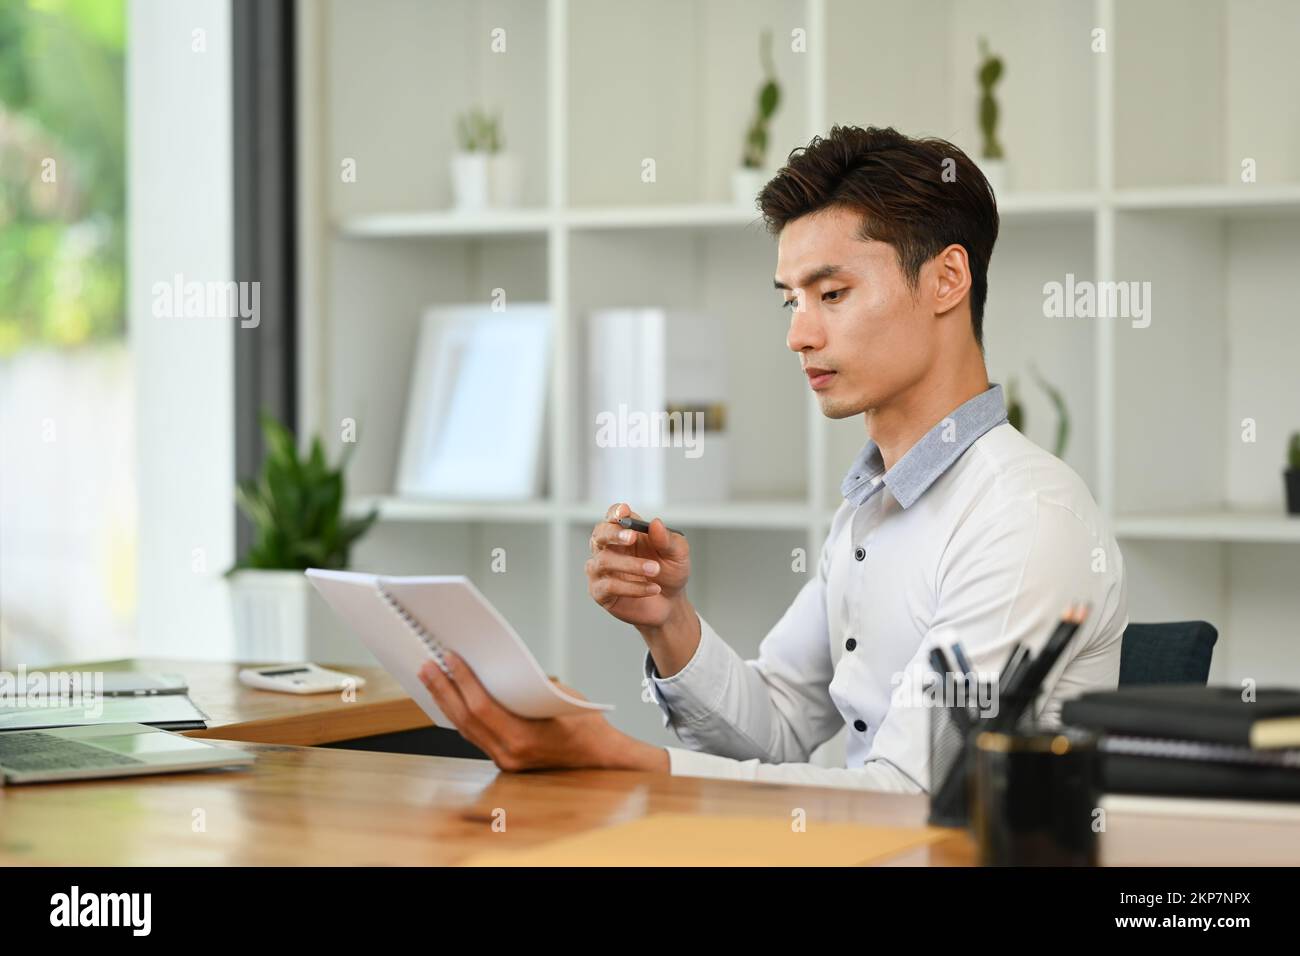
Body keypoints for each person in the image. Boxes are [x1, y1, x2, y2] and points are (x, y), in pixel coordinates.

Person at [419, 125, 1127, 792]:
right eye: (791, 300)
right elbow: (778, 728)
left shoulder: (1023, 517)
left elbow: (910, 795)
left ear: (946, 281)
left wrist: (619, 760)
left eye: (832, 294)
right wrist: (667, 621)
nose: (799, 334)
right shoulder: (870, 507)